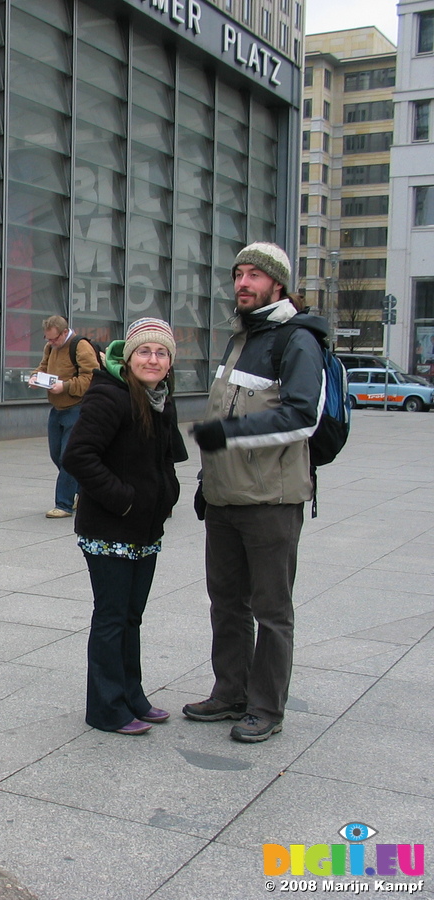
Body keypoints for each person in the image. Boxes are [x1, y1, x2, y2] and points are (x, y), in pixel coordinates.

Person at [185, 242, 327, 743]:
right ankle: (230, 692)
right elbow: (225, 409)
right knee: (225, 601)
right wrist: (207, 481)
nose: (242, 283)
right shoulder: (240, 337)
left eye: (254, 276)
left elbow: (301, 416)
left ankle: (266, 706)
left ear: (277, 284)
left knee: (271, 609)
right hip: (225, 499)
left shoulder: (297, 340)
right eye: (238, 274)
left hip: (271, 501)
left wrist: (226, 438)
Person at [63, 318, 187, 735]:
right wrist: (125, 499)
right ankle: (105, 708)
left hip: (145, 530)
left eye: (161, 352)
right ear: (128, 356)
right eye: (145, 351)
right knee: (112, 616)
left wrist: (166, 495)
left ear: (170, 362)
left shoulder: (160, 398)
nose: (153, 359)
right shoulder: (109, 396)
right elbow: (79, 456)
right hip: (109, 530)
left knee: (132, 616)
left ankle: (131, 695)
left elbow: (167, 458)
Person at [30, 315, 98, 518]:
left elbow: (91, 377)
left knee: (68, 457)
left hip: (77, 408)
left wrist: (66, 386)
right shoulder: (50, 348)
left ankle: (64, 504)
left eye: (54, 339)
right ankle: (83, 492)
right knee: (56, 454)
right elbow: (44, 366)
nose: (51, 342)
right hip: (57, 408)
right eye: (47, 339)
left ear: (64, 332)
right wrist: (35, 376)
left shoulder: (80, 346)